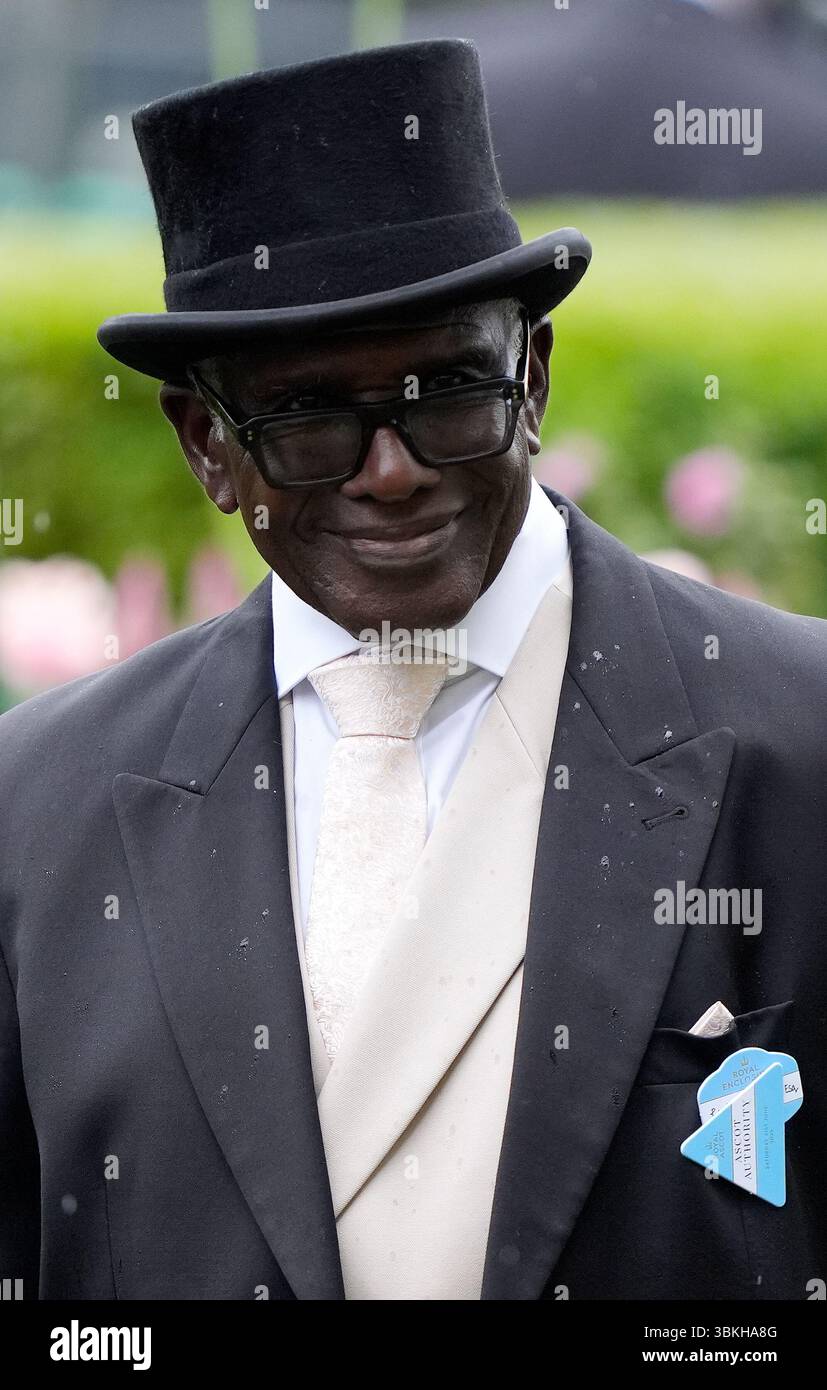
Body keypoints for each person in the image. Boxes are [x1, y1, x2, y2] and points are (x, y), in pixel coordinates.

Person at [0, 39, 824, 1302]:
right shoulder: (33, 810)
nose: (391, 470)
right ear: (205, 447)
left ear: (533, 376)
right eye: (308, 416)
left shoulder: (800, 741)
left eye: (446, 389)